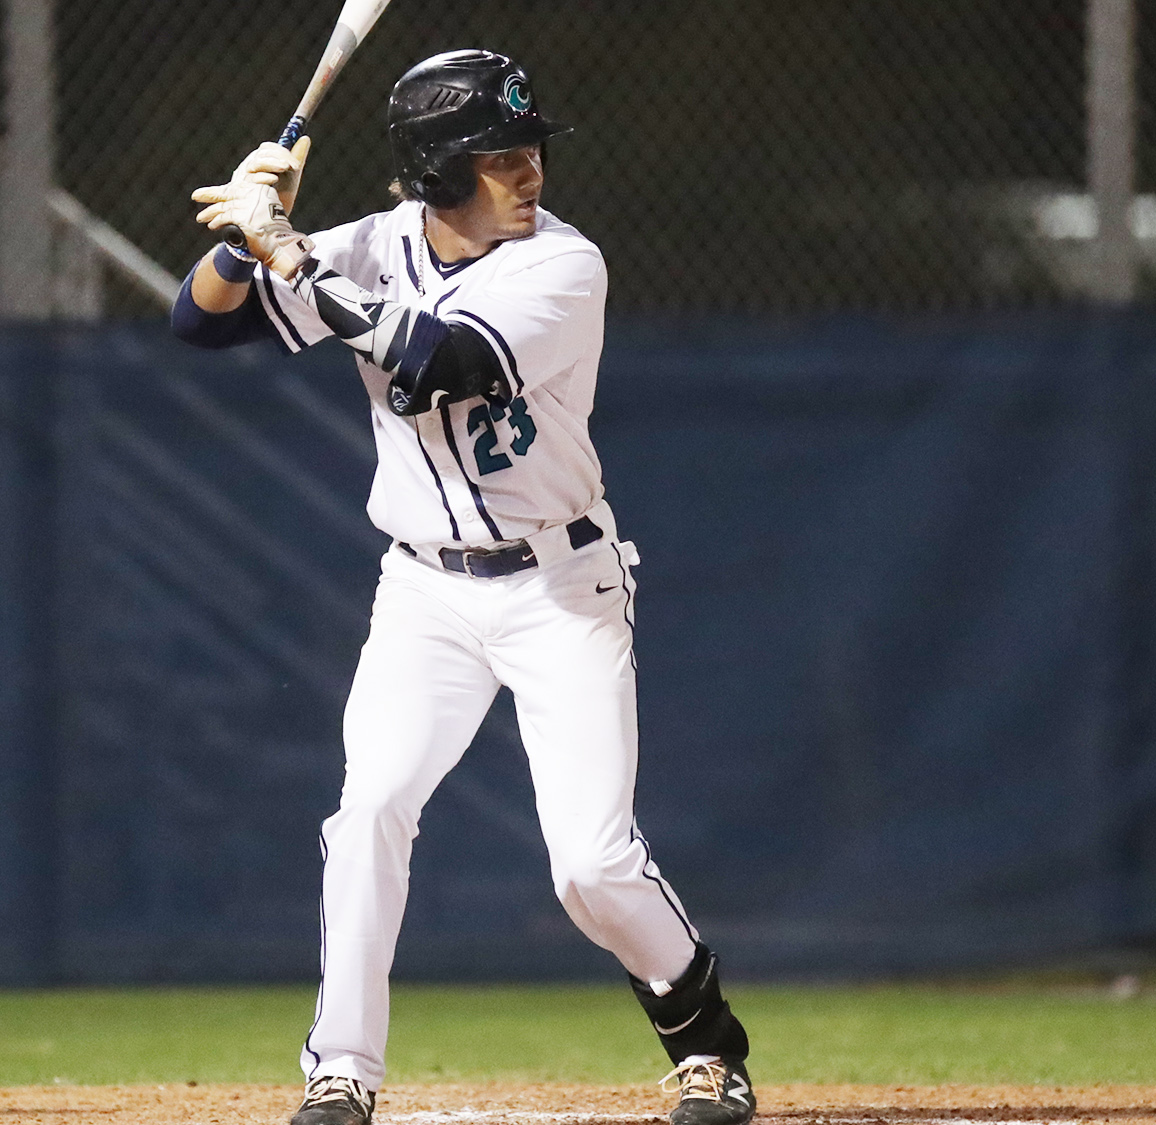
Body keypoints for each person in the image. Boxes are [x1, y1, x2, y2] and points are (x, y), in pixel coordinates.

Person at [172, 49, 755, 1125]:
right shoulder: (369, 247)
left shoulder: (562, 265)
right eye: (498, 154)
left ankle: (707, 1044)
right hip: (424, 594)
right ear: (438, 170)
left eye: (529, 147)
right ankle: (340, 1072)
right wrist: (243, 232)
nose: (529, 170)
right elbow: (201, 321)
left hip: (560, 587)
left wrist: (286, 249)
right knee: (368, 812)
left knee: (589, 867)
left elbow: (436, 360)